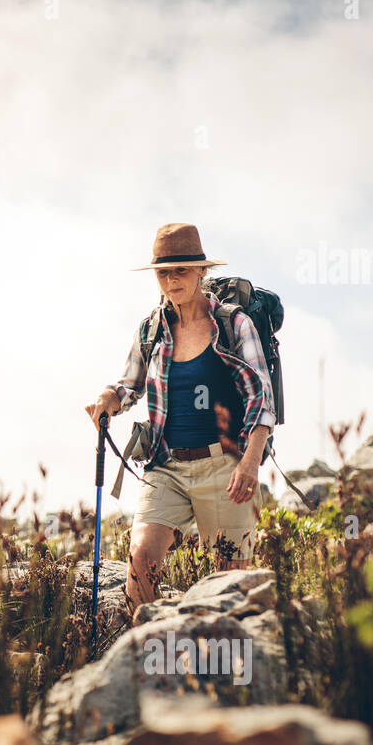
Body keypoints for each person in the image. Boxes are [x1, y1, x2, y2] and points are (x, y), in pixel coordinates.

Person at [84, 223, 277, 606]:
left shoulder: (234, 324)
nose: (171, 280)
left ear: (201, 271)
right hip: (165, 466)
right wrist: (110, 398)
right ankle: (148, 656)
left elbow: (262, 400)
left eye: (181, 270)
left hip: (225, 467)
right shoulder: (152, 328)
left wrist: (251, 462)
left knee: (233, 586)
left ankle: (222, 663)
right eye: (163, 272)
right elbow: (130, 385)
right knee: (141, 561)